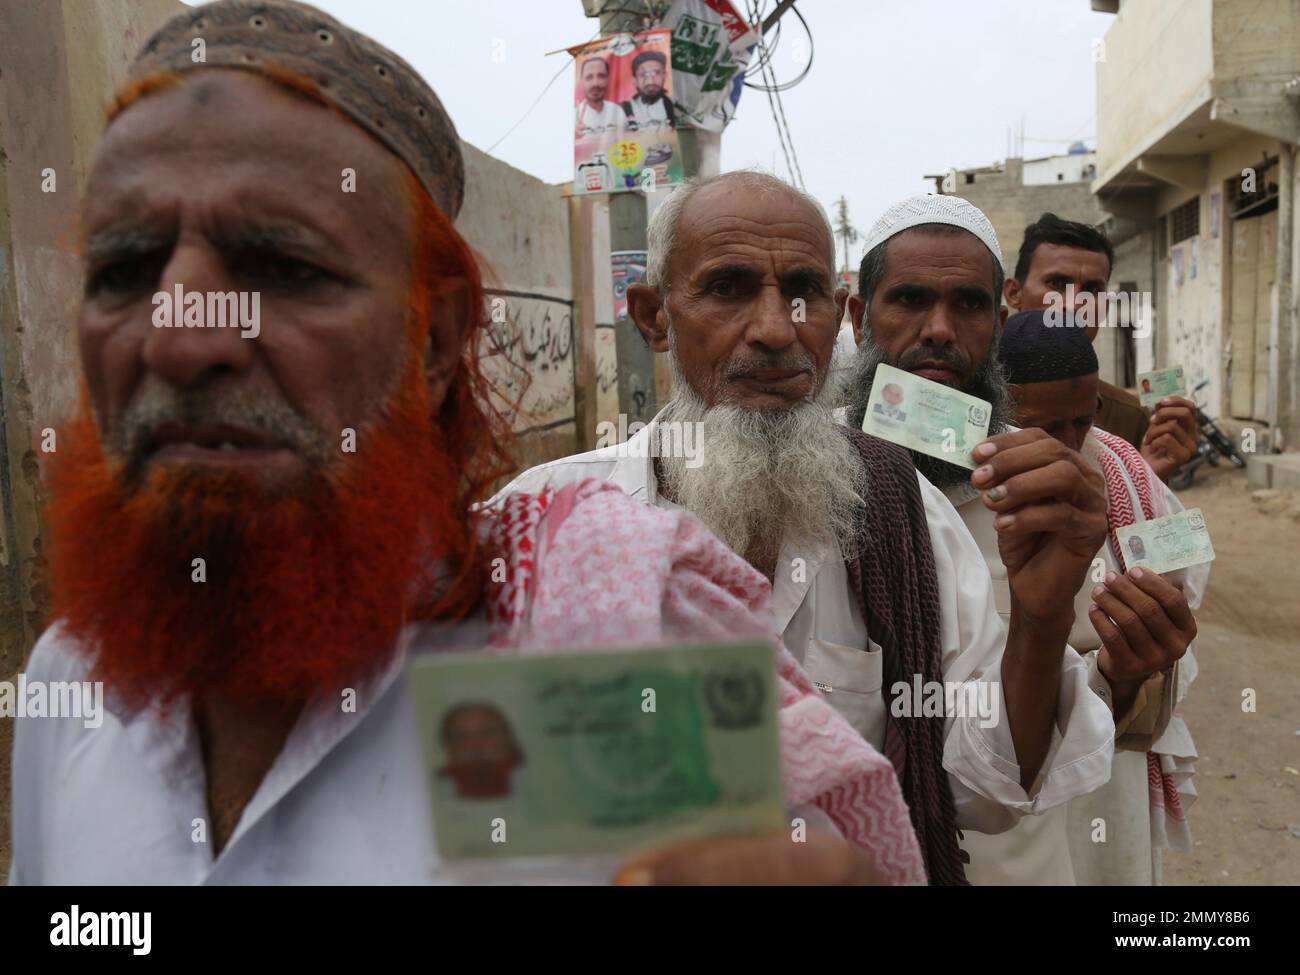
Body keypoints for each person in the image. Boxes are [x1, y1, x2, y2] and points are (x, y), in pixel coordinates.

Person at [9, 0, 924, 886]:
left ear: (437, 344)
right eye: (125, 269)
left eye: (285, 268)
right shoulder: (71, 686)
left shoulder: (580, 645)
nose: (179, 334)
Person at [492, 174, 1117, 885]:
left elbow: (986, 788)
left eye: (802, 292)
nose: (774, 330)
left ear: (836, 312)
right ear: (654, 315)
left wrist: (1040, 619)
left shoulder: (902, 508)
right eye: (728, 287)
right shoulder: (544, 518)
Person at [997, 311, 1203, 885]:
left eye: (1079, 422)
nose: (1068, 447)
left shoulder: (1128, 472)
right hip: (1008, 754)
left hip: (1114, 754)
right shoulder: (972, 486)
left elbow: (1186, 576)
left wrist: (1150, 635)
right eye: (1042, 427)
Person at [1003, 213, 1199, 481]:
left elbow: (1157, 520)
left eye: (1093, 290)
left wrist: (1144, 486)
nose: (1074, 305)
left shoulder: (1130, 419)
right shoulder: (961, 402)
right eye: (1058, 284)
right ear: (1014, 293)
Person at [622, 50, 675, 132]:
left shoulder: (675, 107)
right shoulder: (622, 111)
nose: (650, 81)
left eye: (656, 73)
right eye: (643, 75)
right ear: (634, 80)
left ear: (665, 76)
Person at [575, 55, 622, 139]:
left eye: (601, 76)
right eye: (589, 77)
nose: (595, 83)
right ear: (581, 82)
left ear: (608, 79)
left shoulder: (618, 111)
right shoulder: (573, 117)